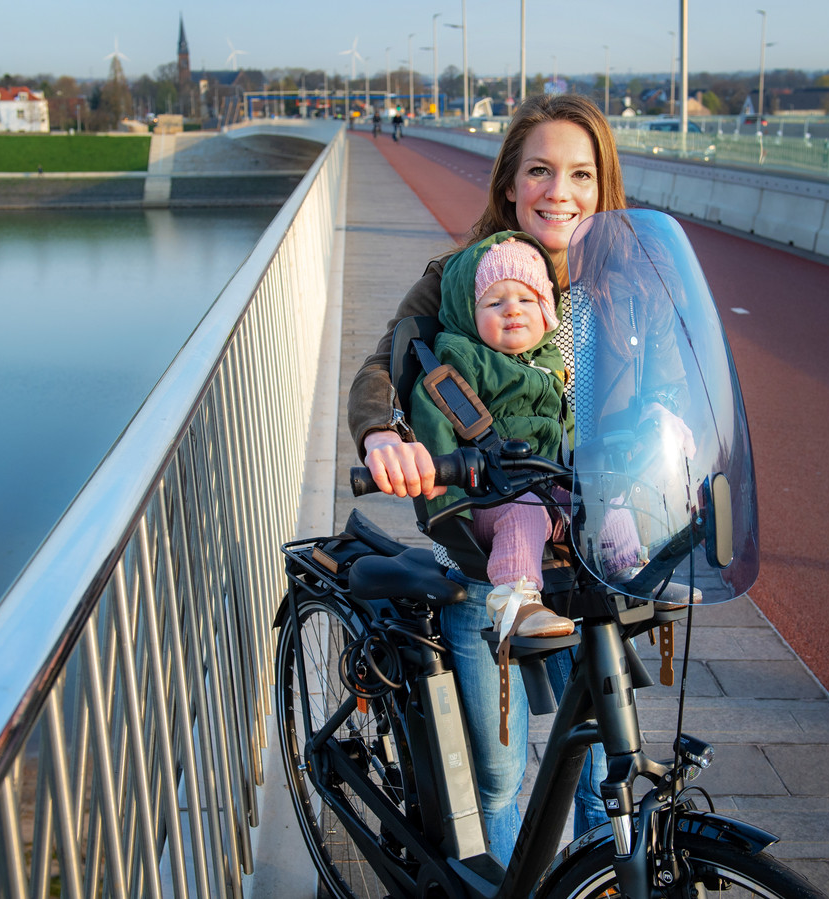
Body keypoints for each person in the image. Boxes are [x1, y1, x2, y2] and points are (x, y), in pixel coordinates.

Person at [347, 92, 628, 863]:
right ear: (509, 182)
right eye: (540, 170)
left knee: (609, 757)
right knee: (499, 774)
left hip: (585, 559)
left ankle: (599, 879)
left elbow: (660, 395)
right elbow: (383, 366)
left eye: (580, 174)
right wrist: (383, 435)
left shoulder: (615, 293)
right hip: (481, 552)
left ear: (602, 190)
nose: (559, 192)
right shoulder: (463, 276)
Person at [409, 233, 576, 650]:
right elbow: (433, 419)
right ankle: (514, 602)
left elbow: (563, 423)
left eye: (526, 299)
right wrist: (444, 504)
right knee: (526, 511)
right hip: (483, 501)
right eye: (494, 302)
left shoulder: (548, 361)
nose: (512, 310)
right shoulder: (465, 357)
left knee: (601, 499)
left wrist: (583, 474)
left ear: (546, 310)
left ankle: (629, 568)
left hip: (540, 485)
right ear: (469, 312)